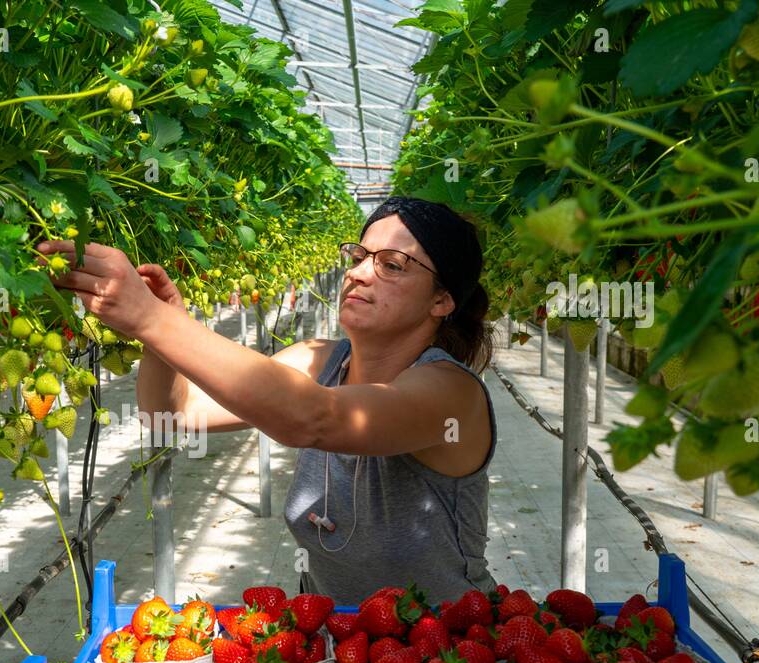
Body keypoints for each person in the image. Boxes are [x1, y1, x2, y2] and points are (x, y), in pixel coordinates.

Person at [36, 195, 498, 607]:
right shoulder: (320, 360)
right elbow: (171, 415)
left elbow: (315, 418)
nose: (357, 273)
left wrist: (150, 318)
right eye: (358, 256)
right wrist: (163, 336)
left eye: (392, 265)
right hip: (336, 650)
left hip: (444, 661)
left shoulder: (448, 392)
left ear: (442, 300)